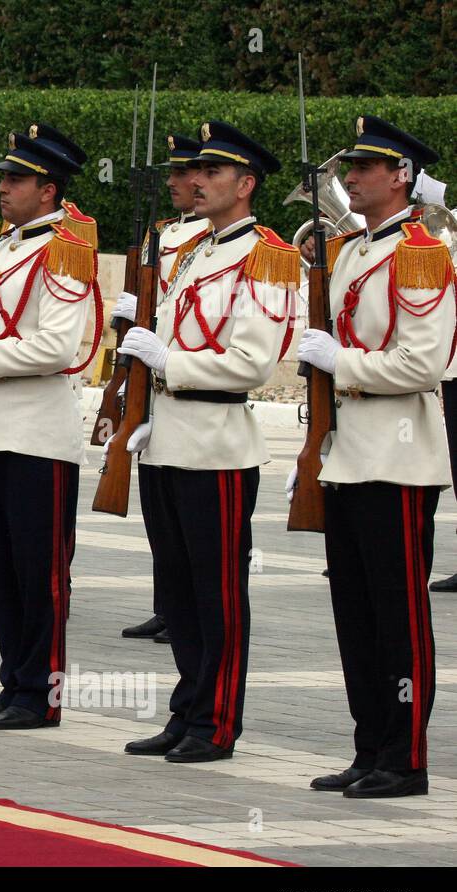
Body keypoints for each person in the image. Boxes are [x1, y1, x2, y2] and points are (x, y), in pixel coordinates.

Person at [118, 121, 296, 762]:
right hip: (166, 435)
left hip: (216, 440)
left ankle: (217, 720)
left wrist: (169, 363)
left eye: (214, 173)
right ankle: (187, 708)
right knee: (178, 590)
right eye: (199, 172)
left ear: (245, 185)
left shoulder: (266, 256)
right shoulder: (195, 248)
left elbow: (251, 363)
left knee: (217, 591)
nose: (198, 180)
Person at [294, 117, 453, 798]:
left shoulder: (423, 252)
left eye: (365, 168)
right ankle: (370, 746)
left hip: (396, 453)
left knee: (399, 616)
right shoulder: (353, 249)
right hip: (347, 452)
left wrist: (345, 364)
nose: (350, 178)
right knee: (355, 614)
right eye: (349, 168)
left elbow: (423, 362)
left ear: (402, 177)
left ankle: (405, 756)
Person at [0, 124, 96, 730]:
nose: (2, 188)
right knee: (1, 571)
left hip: (37, 433)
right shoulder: (3, 245)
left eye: (16, 179)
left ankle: (42, 692)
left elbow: (56, 345)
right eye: (3, 177)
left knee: (39, 573)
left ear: (48, 189)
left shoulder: (65, 247)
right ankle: (14, 682)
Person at [115, 132, 212, 645]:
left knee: (193, 532)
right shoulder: (160, 232)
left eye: (183, 174)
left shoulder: (208, 241)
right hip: (154, 378)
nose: (173, 183)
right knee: (161, 517)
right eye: (171, 174)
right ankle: (167, 603)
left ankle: (184, 611)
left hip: (184, 385)